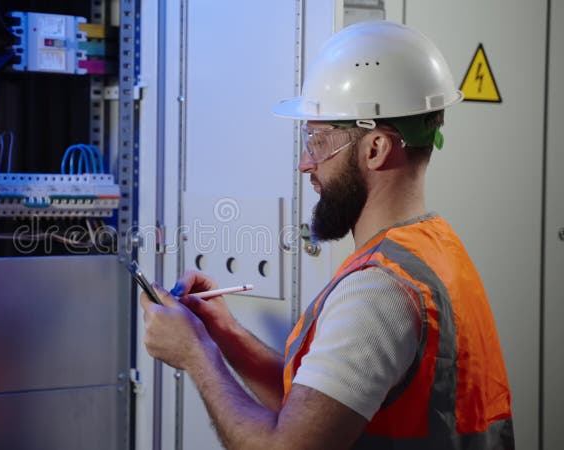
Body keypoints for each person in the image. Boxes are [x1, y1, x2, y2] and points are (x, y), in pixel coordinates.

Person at [140, 20, 514, 449]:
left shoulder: (381, 292)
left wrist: (196, 356)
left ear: (376, 149)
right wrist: (223, 334)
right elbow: (320, 410)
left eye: (318, 142)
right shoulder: (433, 250)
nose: (305, 163)